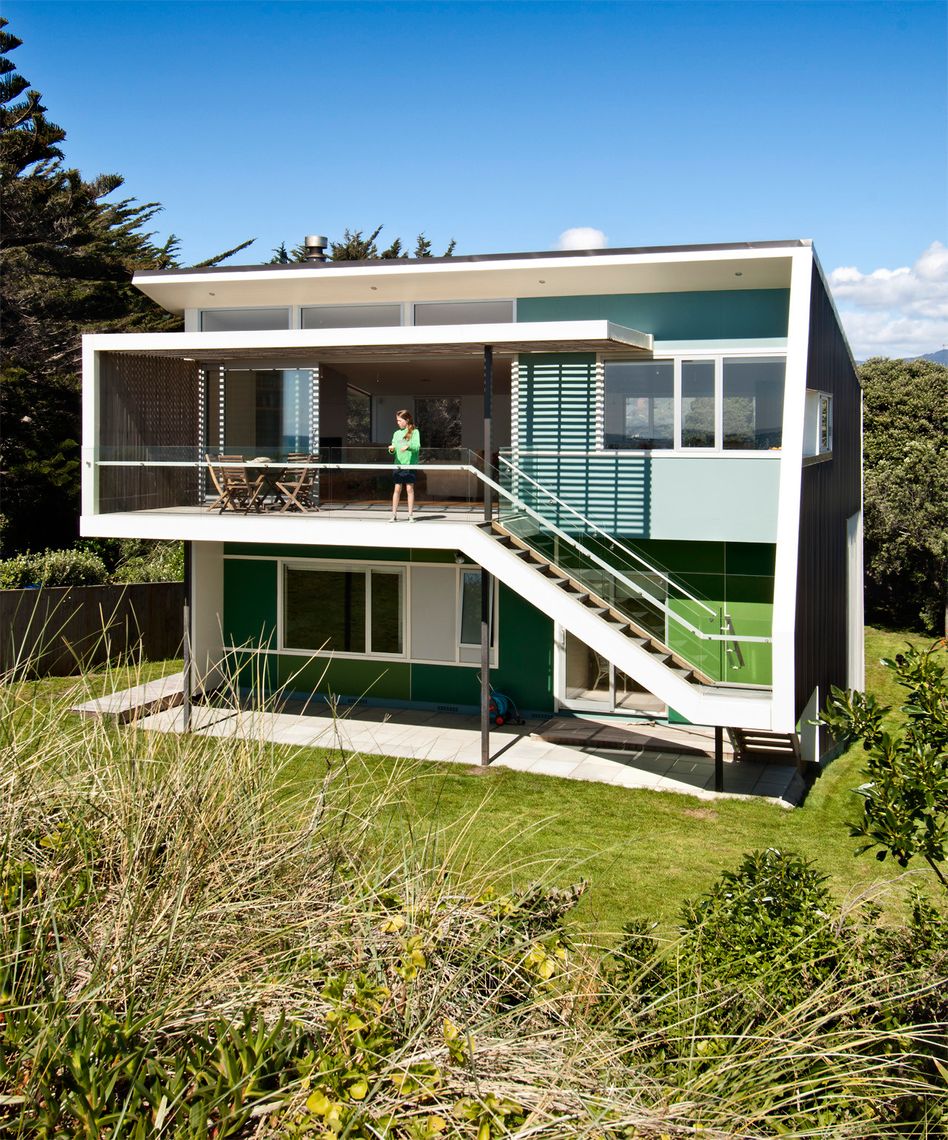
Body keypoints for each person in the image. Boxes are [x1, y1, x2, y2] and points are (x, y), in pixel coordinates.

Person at [388, 409, 420, 521]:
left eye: (400, 420)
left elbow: (417, 447)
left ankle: (410, 515)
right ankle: (394, 515)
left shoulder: (415, 432)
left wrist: (409, 447)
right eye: (397, 420)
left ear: (407, 420)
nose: (398, 422)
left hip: (410, 465)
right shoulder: (396, 434)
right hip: (398, 466)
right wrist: (391, 449)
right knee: (397, 489)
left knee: (409, 489)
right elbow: (393, 448)